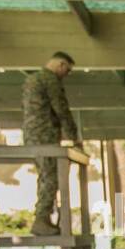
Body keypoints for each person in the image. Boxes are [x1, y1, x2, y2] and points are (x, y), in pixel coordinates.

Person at [21, 52, 80, 236]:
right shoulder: (50, 80)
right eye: (67, 70)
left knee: (45, 175)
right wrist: (74, 138)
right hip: (45, 135)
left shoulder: (31, 80)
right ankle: (41, 219)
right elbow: (62, 110)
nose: (66, 75)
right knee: (51, 177)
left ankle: (43, 218)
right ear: (61, 65)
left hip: (32, 135)